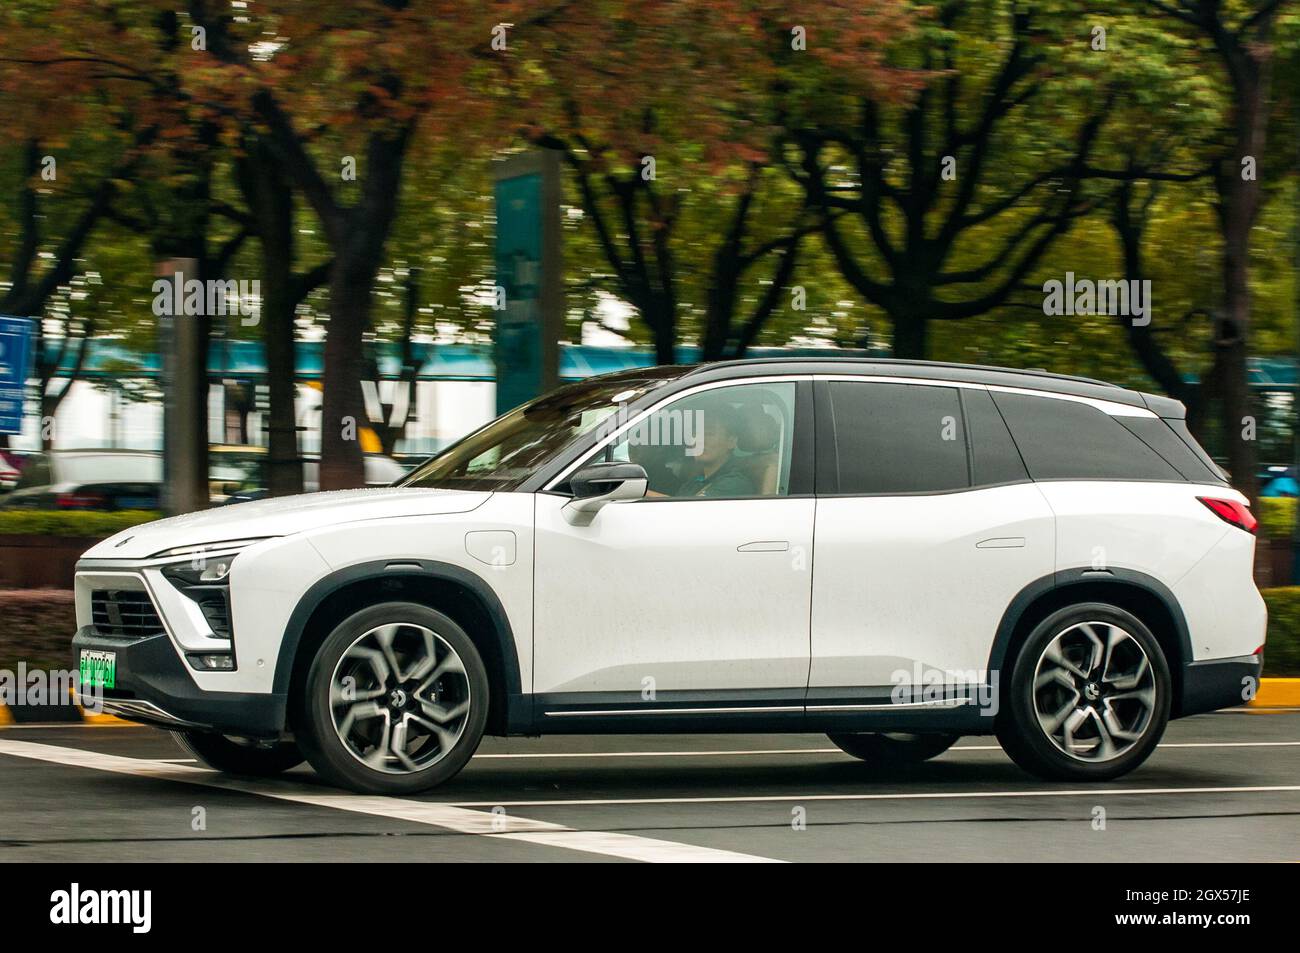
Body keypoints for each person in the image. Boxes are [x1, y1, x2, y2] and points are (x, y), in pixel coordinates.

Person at [673, 403, 755, 498]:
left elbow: (688, 510)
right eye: (695, 433)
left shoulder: (735, 484)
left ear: (731, 441)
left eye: (708, 434)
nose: (699, 440)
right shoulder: (697, 481)